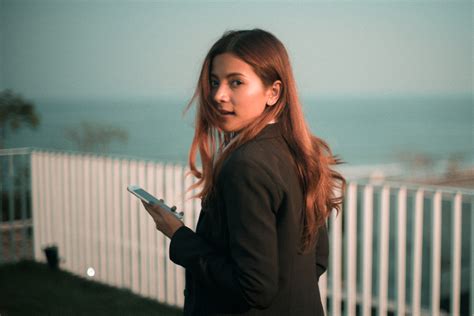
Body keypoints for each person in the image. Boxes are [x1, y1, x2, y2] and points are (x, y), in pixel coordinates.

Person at [142, 28, 346, 316]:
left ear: (273, 92)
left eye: (235, 82)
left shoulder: (246, 165)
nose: (218, 95)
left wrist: (179, 236)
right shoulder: (300, 152)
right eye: (214, 82)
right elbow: (316, 260)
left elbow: (253, 288)